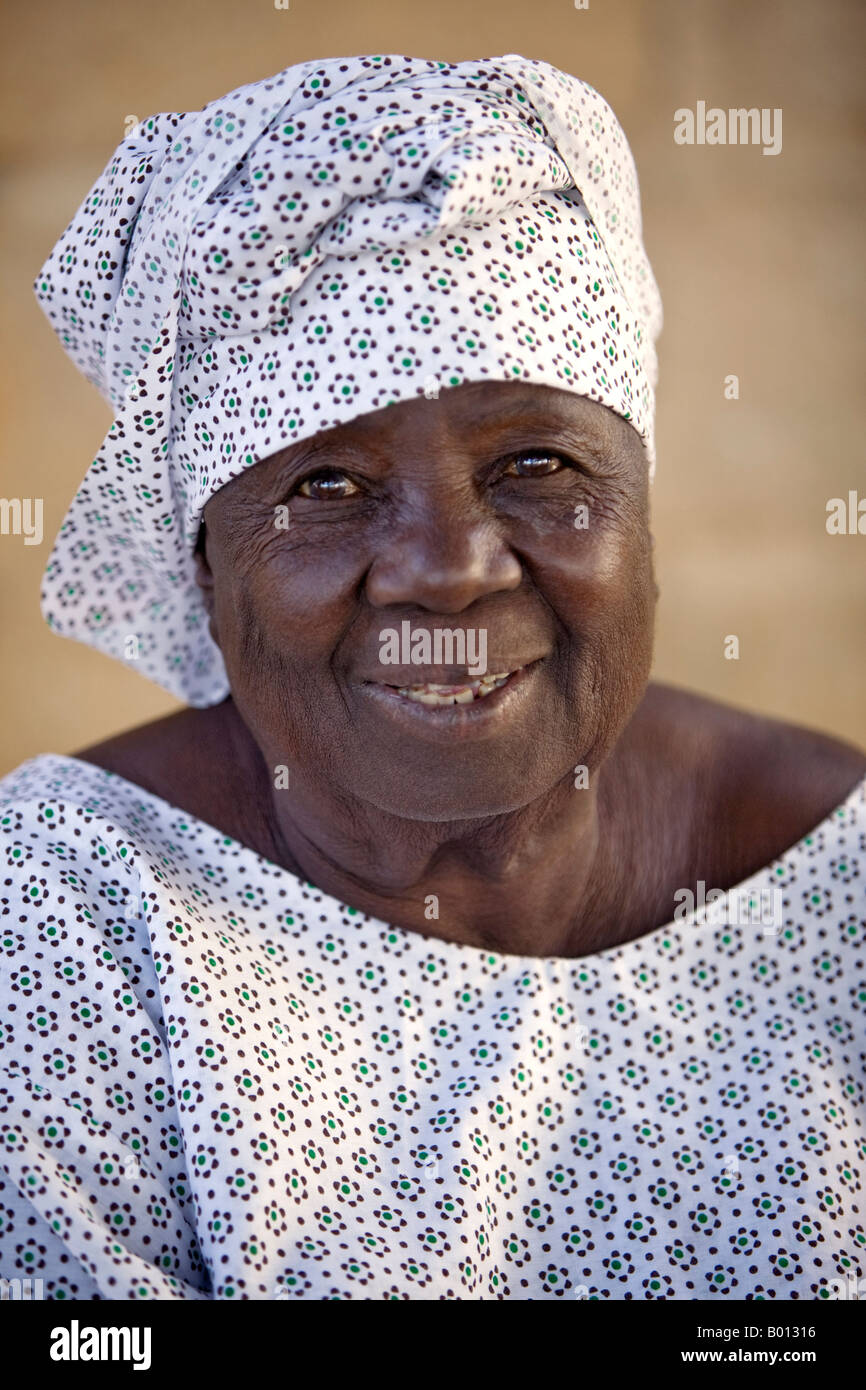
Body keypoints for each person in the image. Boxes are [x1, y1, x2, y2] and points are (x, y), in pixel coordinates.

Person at [1, 53, 862, 1301]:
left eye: (535, 461)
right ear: (204, 568)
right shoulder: (63, 917)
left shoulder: (832, 873)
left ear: (640, 506)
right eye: (327, 486)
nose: (448, 569)